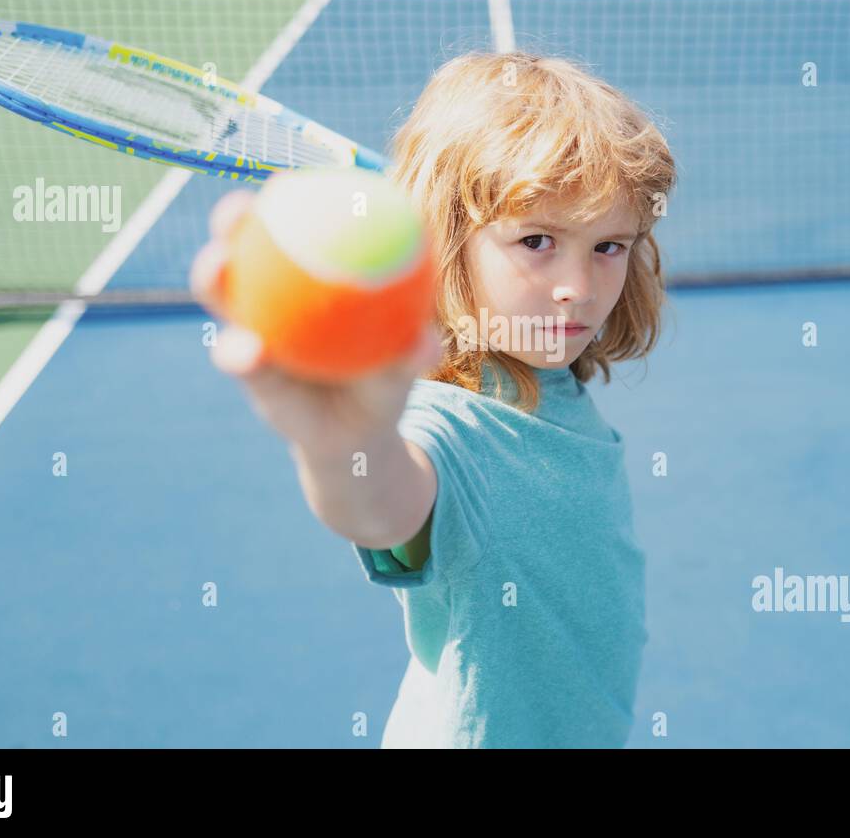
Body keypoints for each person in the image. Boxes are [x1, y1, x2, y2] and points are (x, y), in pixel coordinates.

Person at [191, 50, 676, 748]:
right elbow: (385, 500)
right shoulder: (456, 423)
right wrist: (345, 447)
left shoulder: (549, 379)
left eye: (608, 245)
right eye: (537, 240)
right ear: (449, 244)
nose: (580, 285)